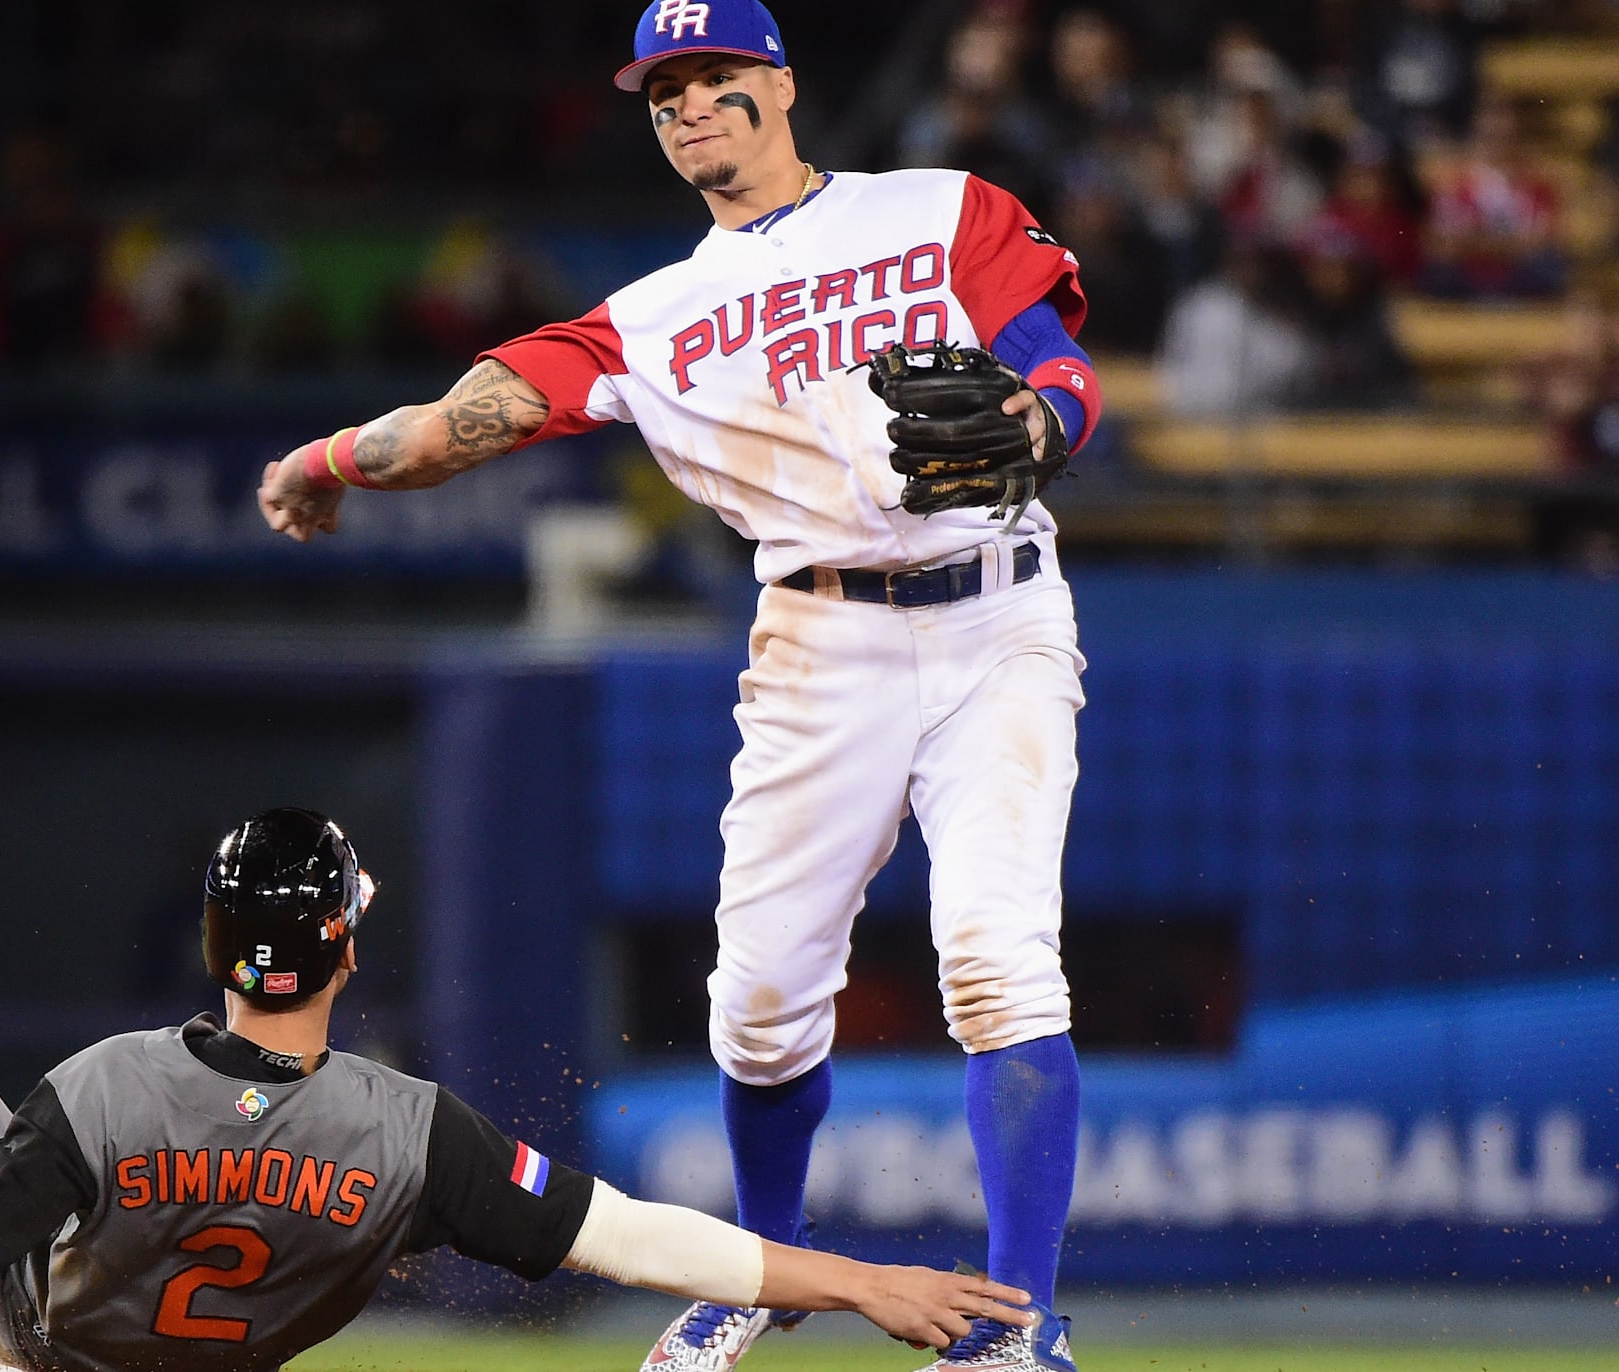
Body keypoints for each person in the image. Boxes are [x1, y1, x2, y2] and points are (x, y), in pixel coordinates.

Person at [256, 6, 1097, 1370]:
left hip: (996, 607)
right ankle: (758, 1274)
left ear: (781, 83)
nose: (692, 104)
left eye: (716, 78)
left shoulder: (937, 208)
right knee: (760, 1001)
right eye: (665, 91)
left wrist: (1047, 415)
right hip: (819, 644)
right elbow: (460, 422)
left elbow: (1055, 360)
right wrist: (329, 458)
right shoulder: (650, 320)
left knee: (999, 963)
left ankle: (1020, 1328)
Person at [0, 809, 1030, 1372]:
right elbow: (636, 1238)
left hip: (33, 1338)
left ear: (215, 944)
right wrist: (855, 1280)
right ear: (347, 944)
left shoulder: (104, 1091)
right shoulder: (406, 1131)